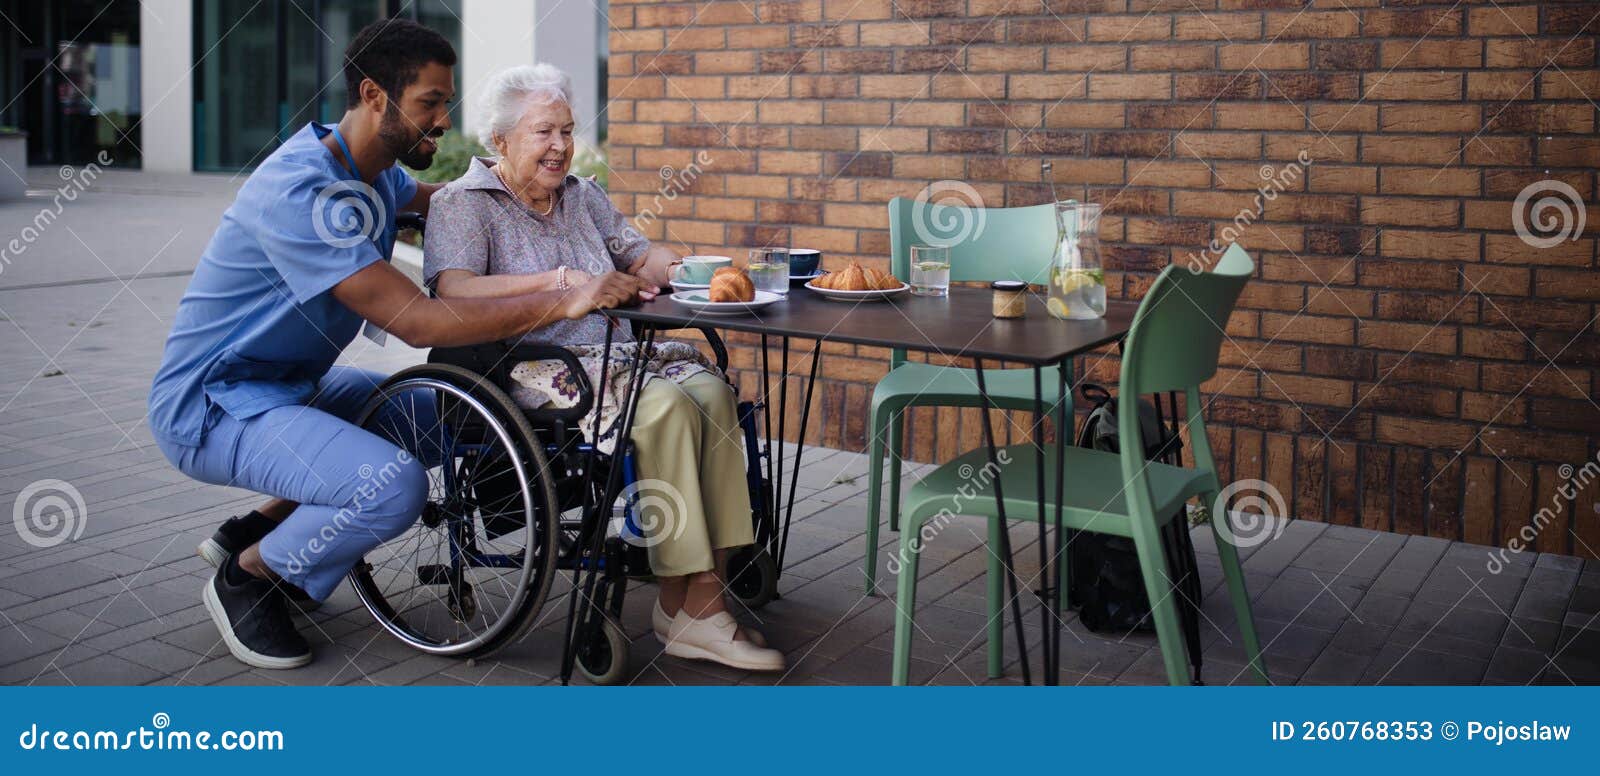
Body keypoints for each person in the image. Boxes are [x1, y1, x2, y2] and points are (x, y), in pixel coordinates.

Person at [148, 21, 653, 670]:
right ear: (374, 95)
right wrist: (563, 296)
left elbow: (460, 202)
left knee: (462, 414)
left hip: (293, 392)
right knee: (391, 487)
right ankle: (250, 576)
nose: (444, 120)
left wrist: (531, 179)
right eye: (430, 103)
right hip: (213, 406)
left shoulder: (376, 172)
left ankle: (260, 528)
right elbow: (418, 321)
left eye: (447, 102)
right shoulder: (304, 193)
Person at [423, 64, 785, 672]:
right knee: (667, 405)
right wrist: (565, 283)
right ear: (501, 141)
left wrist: (686, 269)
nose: (561, 146)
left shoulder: (583, 196)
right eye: (544, 132)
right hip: (532, 366)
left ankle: (693, 602)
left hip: (616, 355)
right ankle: (694, 609)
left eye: (566, 130)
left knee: (711, 392)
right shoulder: (464, 205)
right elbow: (455, 293)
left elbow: (639, 255)